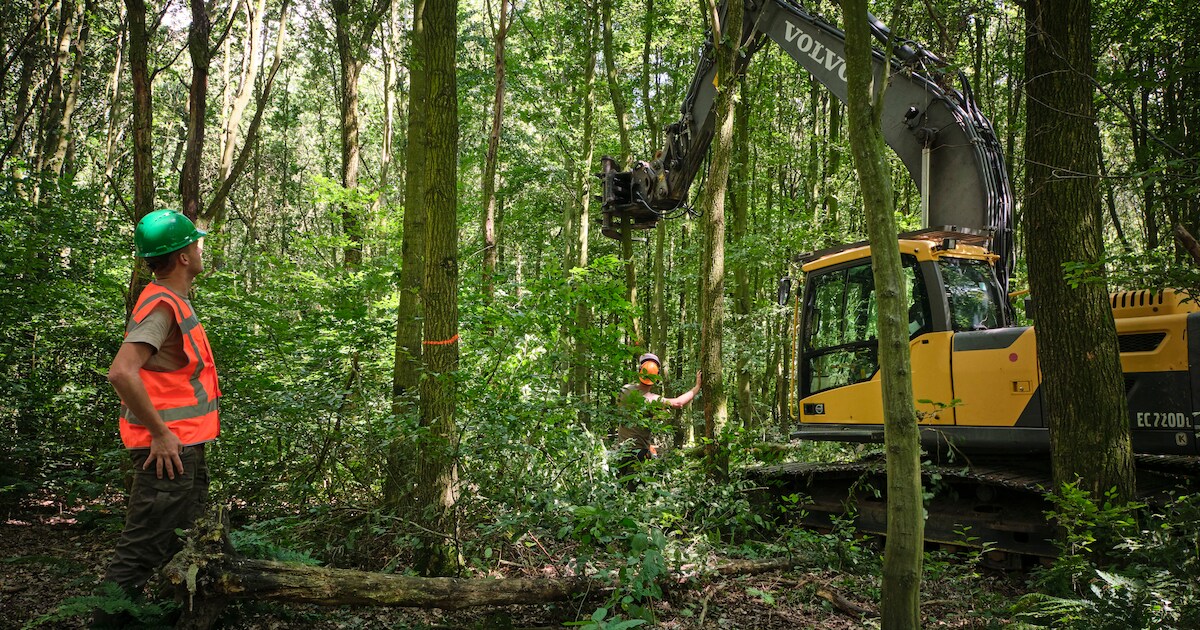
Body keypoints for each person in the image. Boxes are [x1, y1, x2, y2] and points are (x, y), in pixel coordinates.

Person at [94, 209, 221, 626]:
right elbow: (121, 372)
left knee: (186, 550)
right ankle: (106, 622)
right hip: (166, 454)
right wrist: (162, 435)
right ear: (183, 256)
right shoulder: (163, 307)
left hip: (184, 449)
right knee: (141, 552)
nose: (201, 247)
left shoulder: (175, 302)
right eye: (196, 242)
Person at [615, 353, 701, 485]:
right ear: (656, 378)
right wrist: (697, 387)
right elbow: (678, 403)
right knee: (635, 491)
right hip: (638, 452)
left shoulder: (625, 390)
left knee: (621, 488)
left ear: (639, 372)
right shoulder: (652, 400)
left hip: (621, 449)